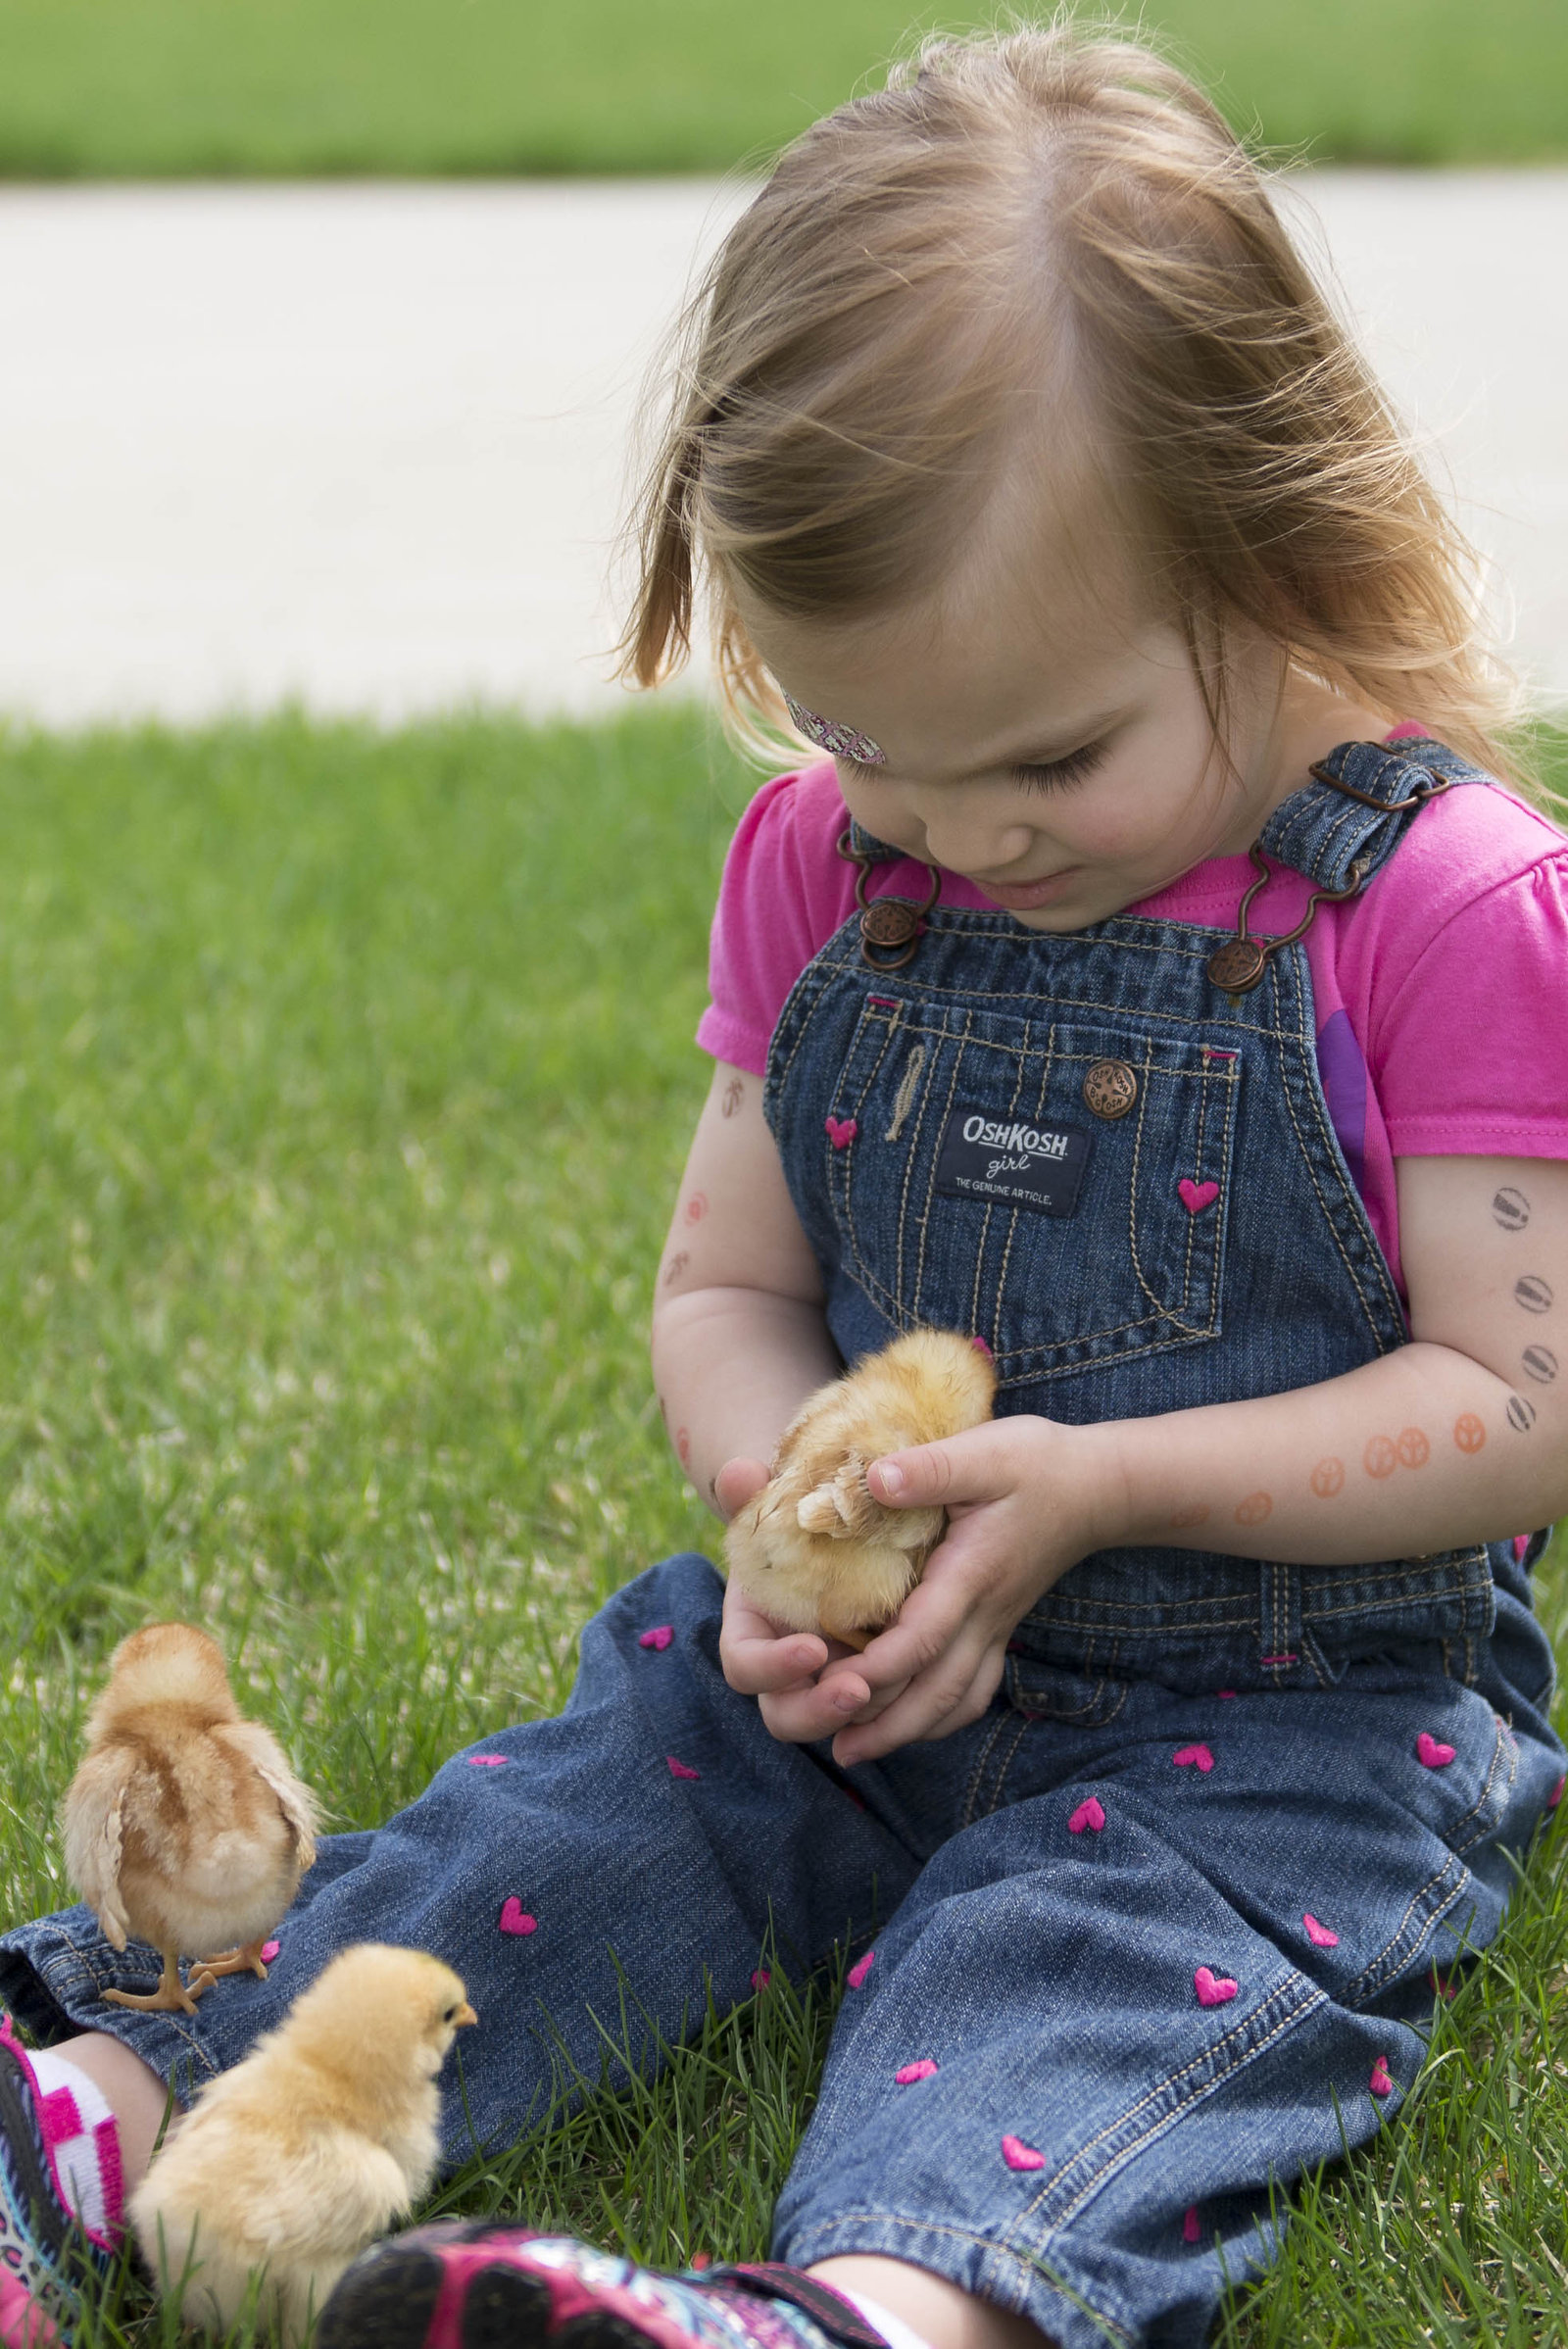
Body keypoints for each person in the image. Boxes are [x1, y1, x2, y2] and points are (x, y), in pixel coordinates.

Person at [3, 23, 1566, 2349]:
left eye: (1050, 752)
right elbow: (724, 1285)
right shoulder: (831, 873)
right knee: (593, 1805)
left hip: (1293, 1715)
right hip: (849, 1673)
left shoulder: (1437, 910)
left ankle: (839, 2316)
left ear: (1276, 549)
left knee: (1075, 1984)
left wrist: (1089, 1484)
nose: (969, 838)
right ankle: (101, 2098)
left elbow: (1514, 1398)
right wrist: (769, 1503)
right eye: (872, 752)